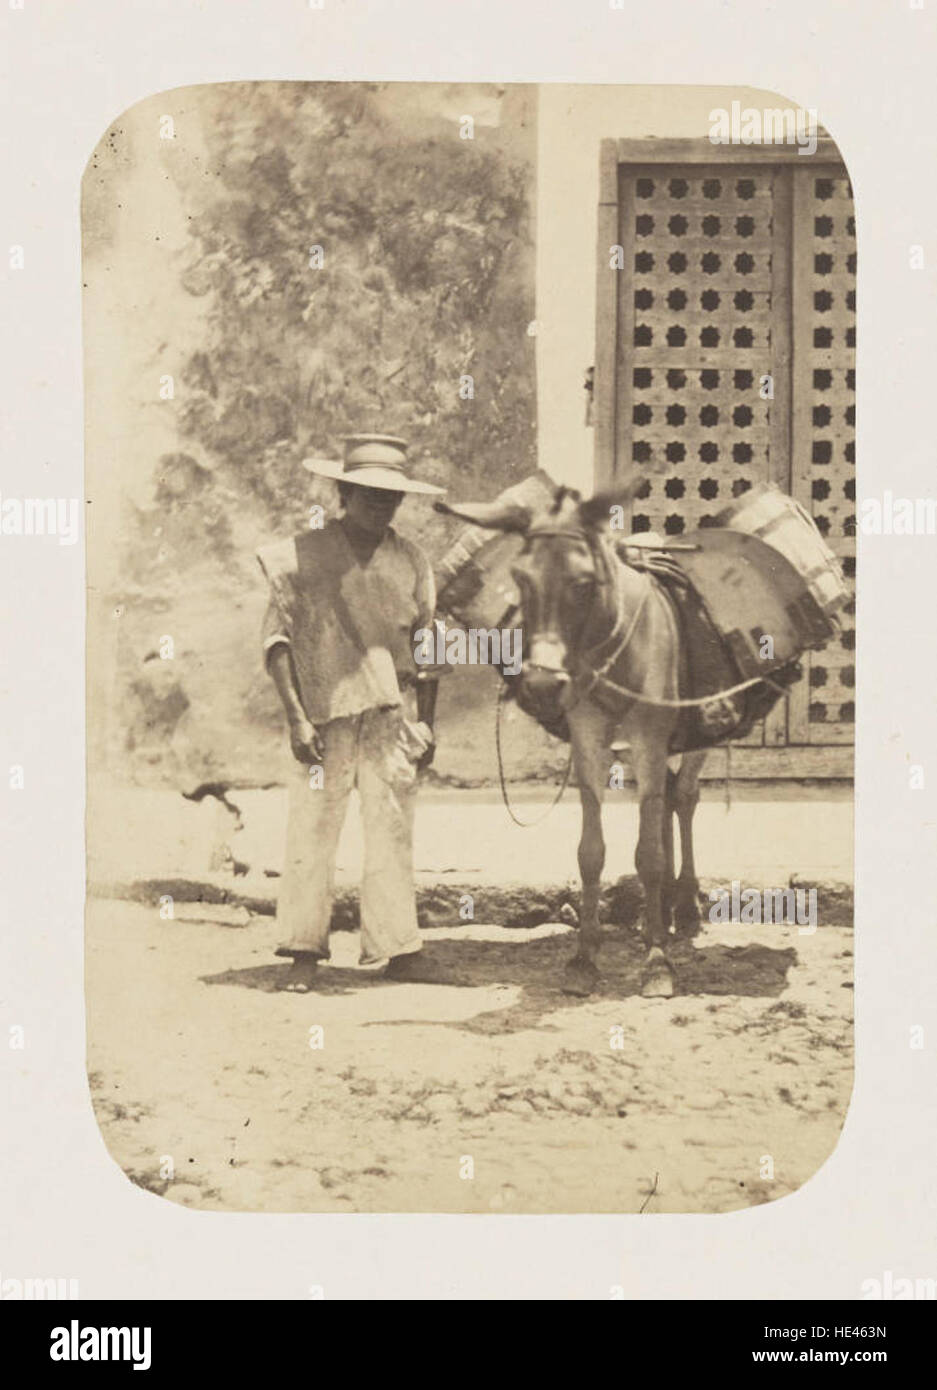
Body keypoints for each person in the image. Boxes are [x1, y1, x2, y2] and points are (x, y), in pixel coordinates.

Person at [257, 433, 449, 992]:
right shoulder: (302, 556)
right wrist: (296, 717)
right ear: (343, 492)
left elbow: (428, 647)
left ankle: (397, 948)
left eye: (390, 497)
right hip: (324, 719)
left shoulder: (411, 561)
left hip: (390, 720)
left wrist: (427, 722)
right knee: (313, 829)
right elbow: (276, 642)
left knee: (391, 829)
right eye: (368, 494)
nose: (380, 506)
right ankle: (302, 949)